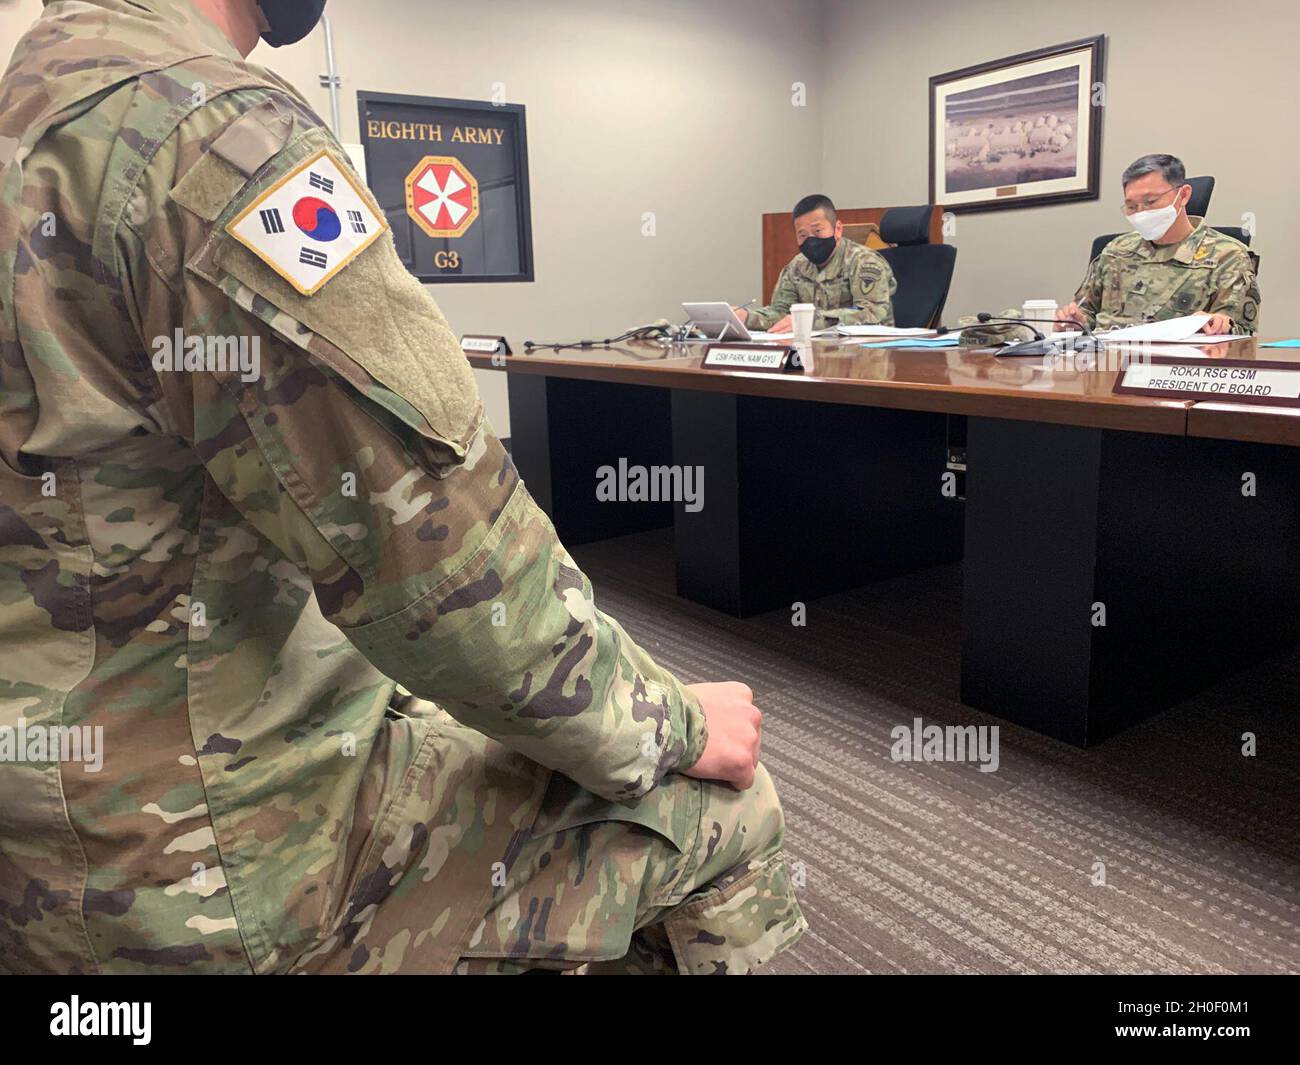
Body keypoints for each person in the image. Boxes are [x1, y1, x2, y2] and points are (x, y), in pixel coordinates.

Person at [0, 0, 805, 974]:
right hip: (207, 865)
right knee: (717, 810)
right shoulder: (209, 129)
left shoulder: (33, 110)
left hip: (51, 815)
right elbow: (445, 566)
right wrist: (671, 720)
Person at [1055, 154, 1261, 335]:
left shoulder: (1228, 256)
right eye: (1131, 206)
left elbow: (1241, 334)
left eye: (1151, 202)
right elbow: (1086, 311)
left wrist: (1217, 324)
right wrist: (1076, 322)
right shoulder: (1115, 251)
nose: (1141, 212)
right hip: (1105, 364)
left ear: (1184, 195)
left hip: (1174, 371)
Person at [740, 193, 896, 332]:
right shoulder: (796, 267)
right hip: (818, 352)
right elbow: (781, 313)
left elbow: (871, 313)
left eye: (817, 231)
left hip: (869, 353)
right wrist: (746, 317)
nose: (811, 240)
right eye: (802, 235)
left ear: (838, 229)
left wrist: (809, 322)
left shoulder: (864, 262)